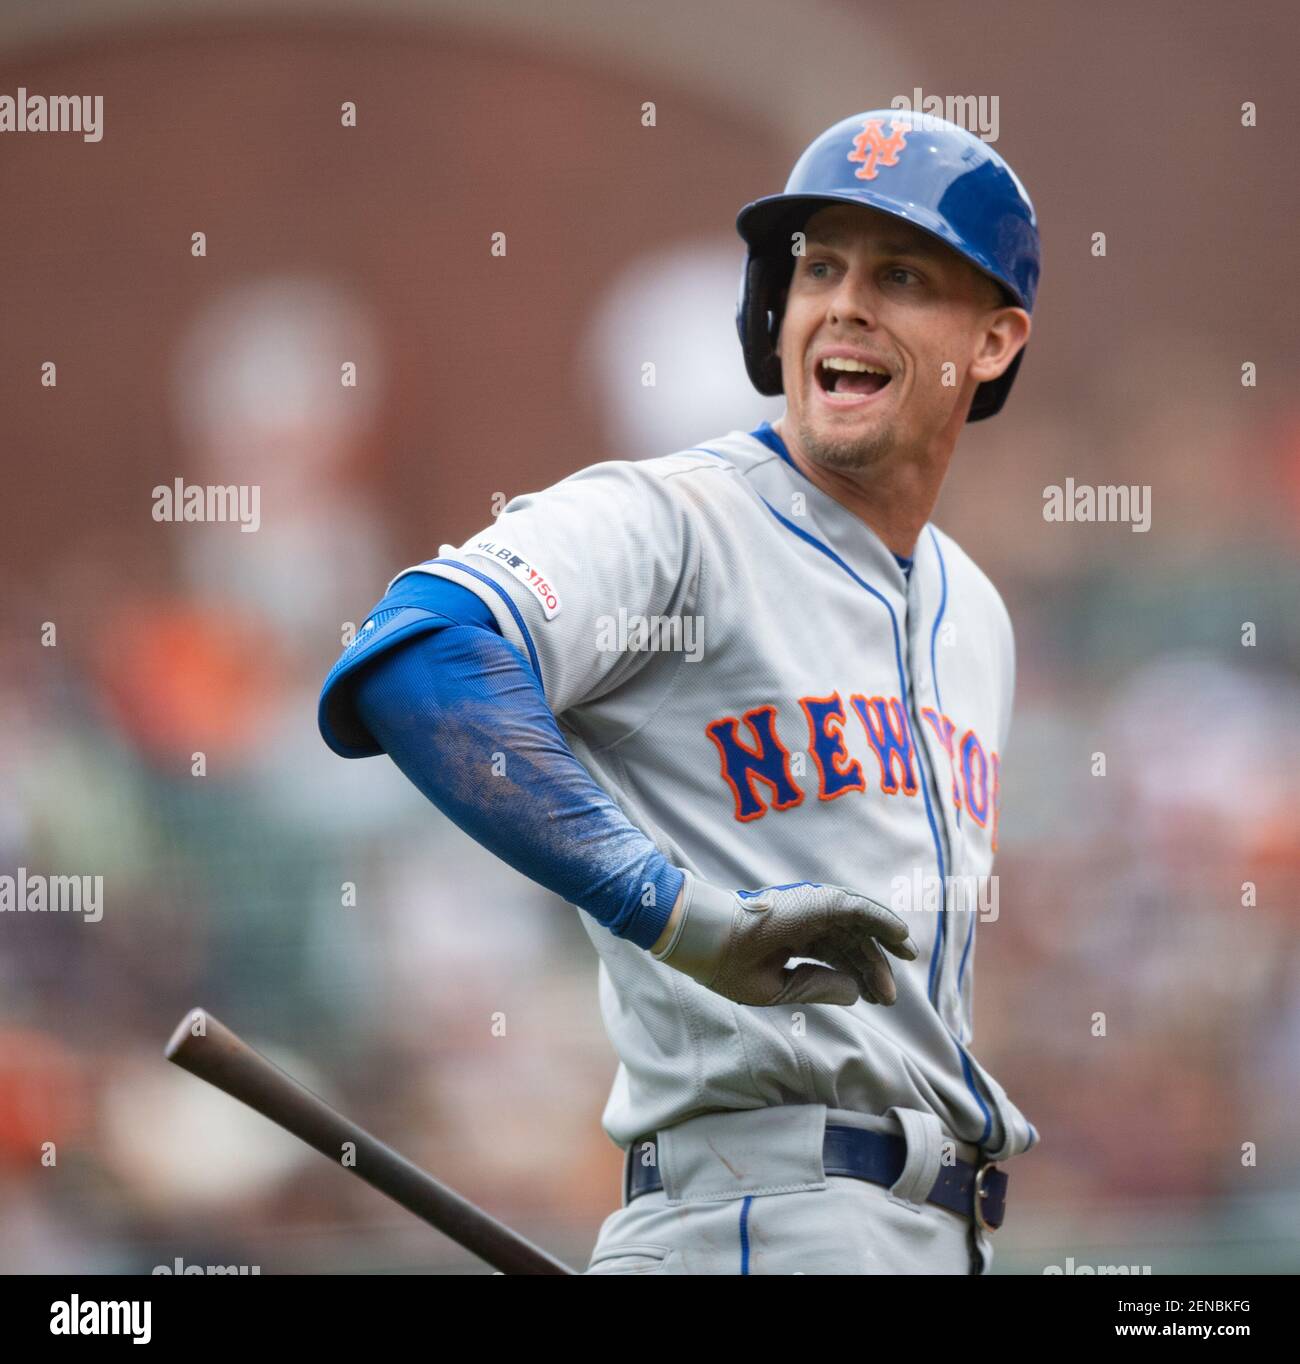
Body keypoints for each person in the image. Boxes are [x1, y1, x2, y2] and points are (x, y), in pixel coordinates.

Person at [318, 109, 1040, 1275]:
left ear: (994, 341)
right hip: (758, 1215)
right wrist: (669, 910)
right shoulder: (675, 519)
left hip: (944, 1228)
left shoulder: (979, 618)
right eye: (818, 268)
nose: (844, 303)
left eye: (899, 274)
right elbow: (417, 653)